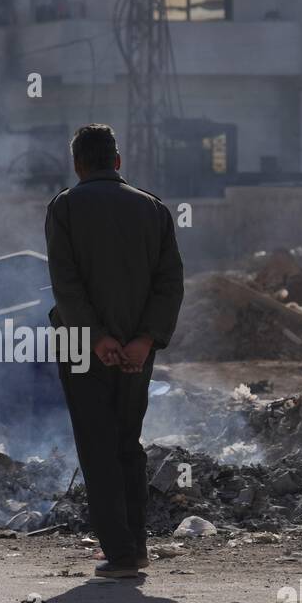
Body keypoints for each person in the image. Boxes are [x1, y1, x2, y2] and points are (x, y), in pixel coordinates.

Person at [44, 124, 185, 578]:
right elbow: (170, 285)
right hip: (137, 350)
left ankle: (120, 553)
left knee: (97, 445)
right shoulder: (154, 210)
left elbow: (66, 284)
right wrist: (144, 340)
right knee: (128, 443)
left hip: (82, 347)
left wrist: (94, 336)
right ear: (118, 162)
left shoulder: (65, 208)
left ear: (78, 165)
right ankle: (137, 547)